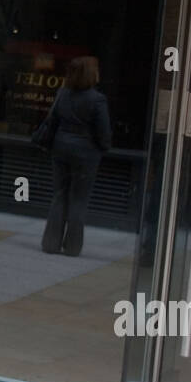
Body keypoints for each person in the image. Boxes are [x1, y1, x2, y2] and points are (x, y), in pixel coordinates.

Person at [41, 55, 112, 256]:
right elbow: (103, 132)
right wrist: (103, 147)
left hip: (60, 147)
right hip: (86, 153)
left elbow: (52, 121)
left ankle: (51, 243)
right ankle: (72, 246)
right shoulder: (97, 99)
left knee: (59, 194)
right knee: (79, 198)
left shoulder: (63, 93)